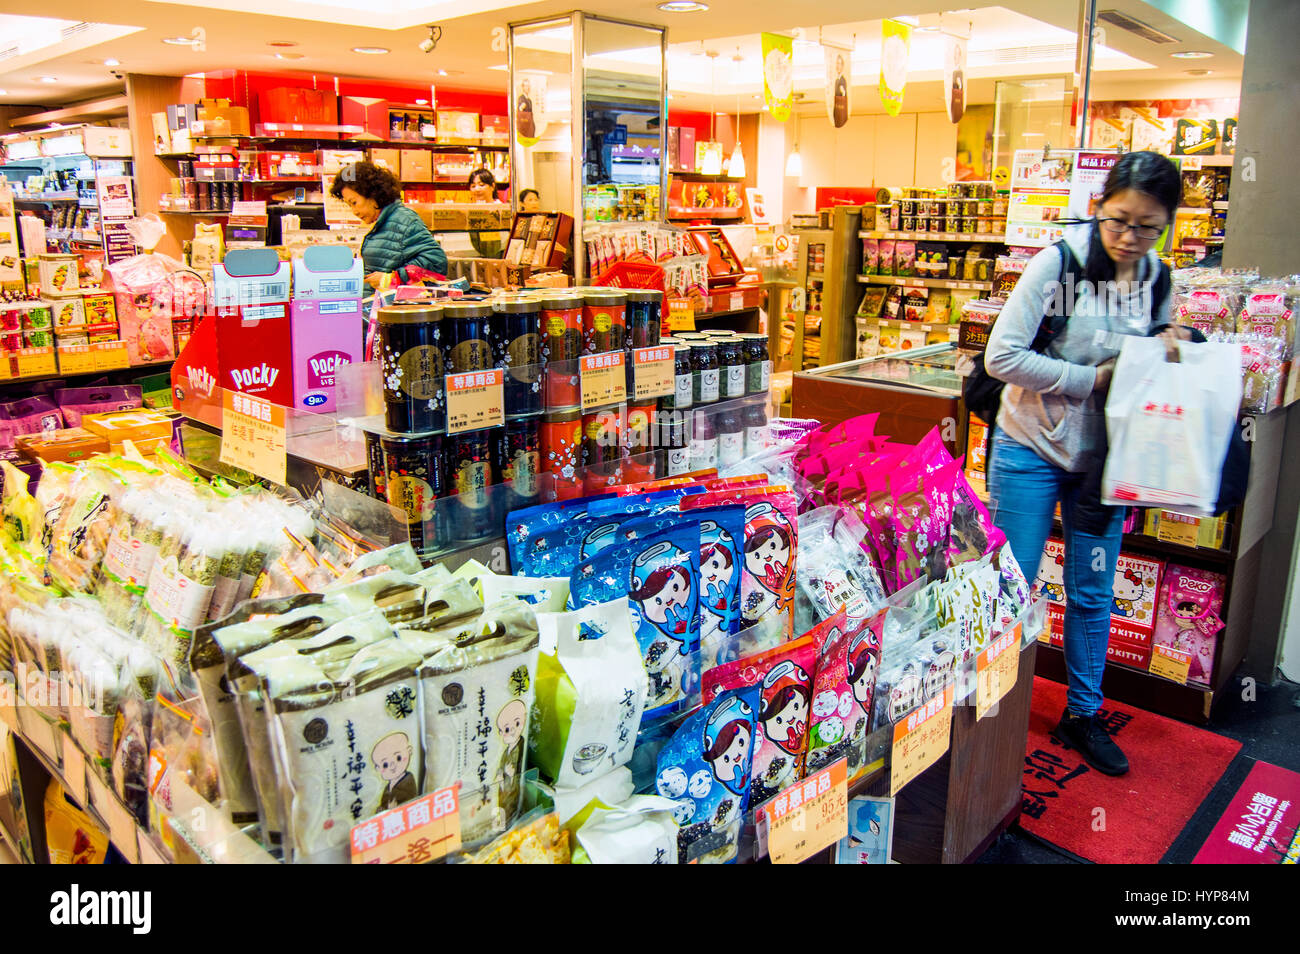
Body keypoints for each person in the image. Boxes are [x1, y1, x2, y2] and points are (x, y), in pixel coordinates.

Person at [983, 151, 1190, 777]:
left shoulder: (1158, 279)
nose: (1129, 238)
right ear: (1099, 206)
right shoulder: (1060, 263)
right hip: (1028, 449)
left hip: (1105, 463)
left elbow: (1156, 360)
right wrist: (1090, 380)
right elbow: (1002, 356)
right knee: (1011, 584)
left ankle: (1083, 713)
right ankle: (991, 710)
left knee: (1093, 591)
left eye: (1147, 226)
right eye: (1119, 220)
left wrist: (1173, 352)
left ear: (1167, 224)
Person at [330, 161, 446, 293]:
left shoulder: (403, 220)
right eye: (349, 205)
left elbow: (436, 262)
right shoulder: (383, 221)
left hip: (394, 309)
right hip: (377, 307)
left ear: (372, 195)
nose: (354, 211)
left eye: (354, 202)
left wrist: (391, 279)